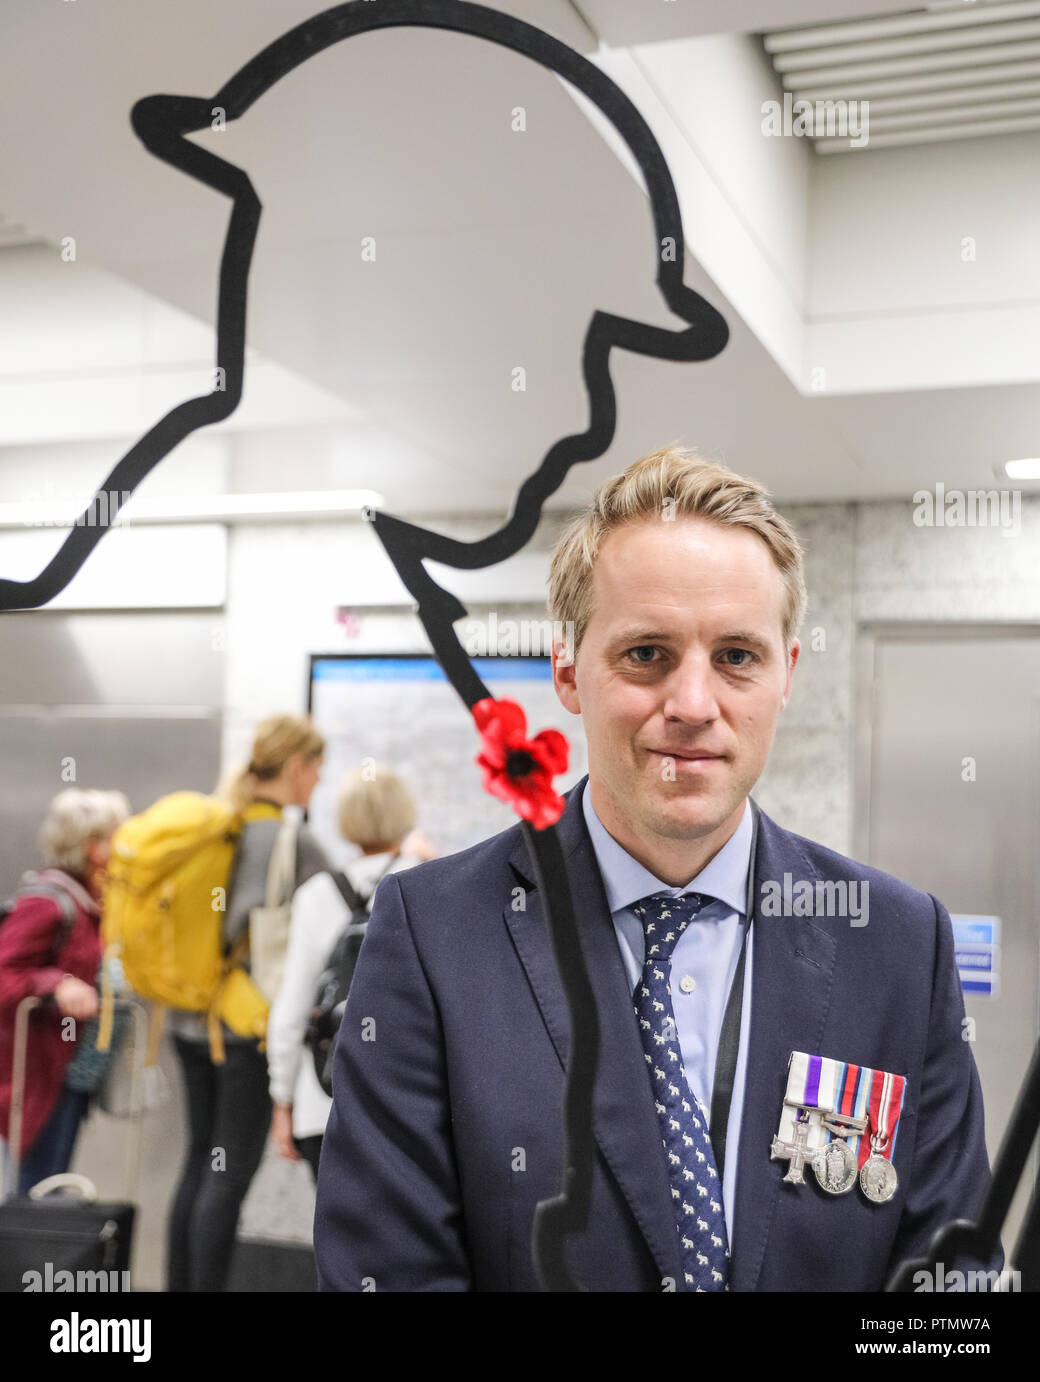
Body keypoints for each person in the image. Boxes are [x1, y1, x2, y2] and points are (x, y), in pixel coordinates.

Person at [314, 446, 996, 1292]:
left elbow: (948, 1282)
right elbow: (387, 1275)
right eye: (647, 654)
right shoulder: (432, 934)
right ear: (567, 668)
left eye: (738, 656)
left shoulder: (895, 942)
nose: (694, 705)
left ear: (788, 673)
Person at [165, 714, 330, 1293]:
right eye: (316, 771)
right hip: (244, 1029)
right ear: (294, 768)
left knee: (199, 1161)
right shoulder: (292, 839)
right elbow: (351, 903)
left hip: (187, 1022)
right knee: (229, 1168)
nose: (318, 784)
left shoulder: (218, 825)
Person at [267, 764, 429, 1184]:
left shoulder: (317, 895)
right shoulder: (433, 882)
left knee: (339, 1243)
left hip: (325, 1103)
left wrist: (282, 1101)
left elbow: (291, 1009)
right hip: (412, 1108)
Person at [0, 789, 129, 1196]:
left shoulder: (97, 903)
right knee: (31, 1195)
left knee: (48, 1188)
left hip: (70, 1077)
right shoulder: (48, 902)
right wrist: (54, 984)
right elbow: (4, 973)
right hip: (37, 1077)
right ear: (94, 847)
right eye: (119, 837)